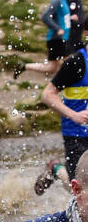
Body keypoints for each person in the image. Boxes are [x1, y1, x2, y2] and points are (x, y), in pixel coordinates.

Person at [36, 38, 88, 191]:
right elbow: (47, 94)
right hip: (77, 133)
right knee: (78, 190)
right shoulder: (75, 63)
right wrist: (73, 115)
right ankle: (56, 168)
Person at [24, 0, 73, 78]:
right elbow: (45, 16)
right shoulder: (56, 0)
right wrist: (58, 28)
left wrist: (71, 18)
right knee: (71, 62)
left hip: (62, 38)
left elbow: (61, 16)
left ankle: (24, 67)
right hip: (57, 38)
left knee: (52, 68)